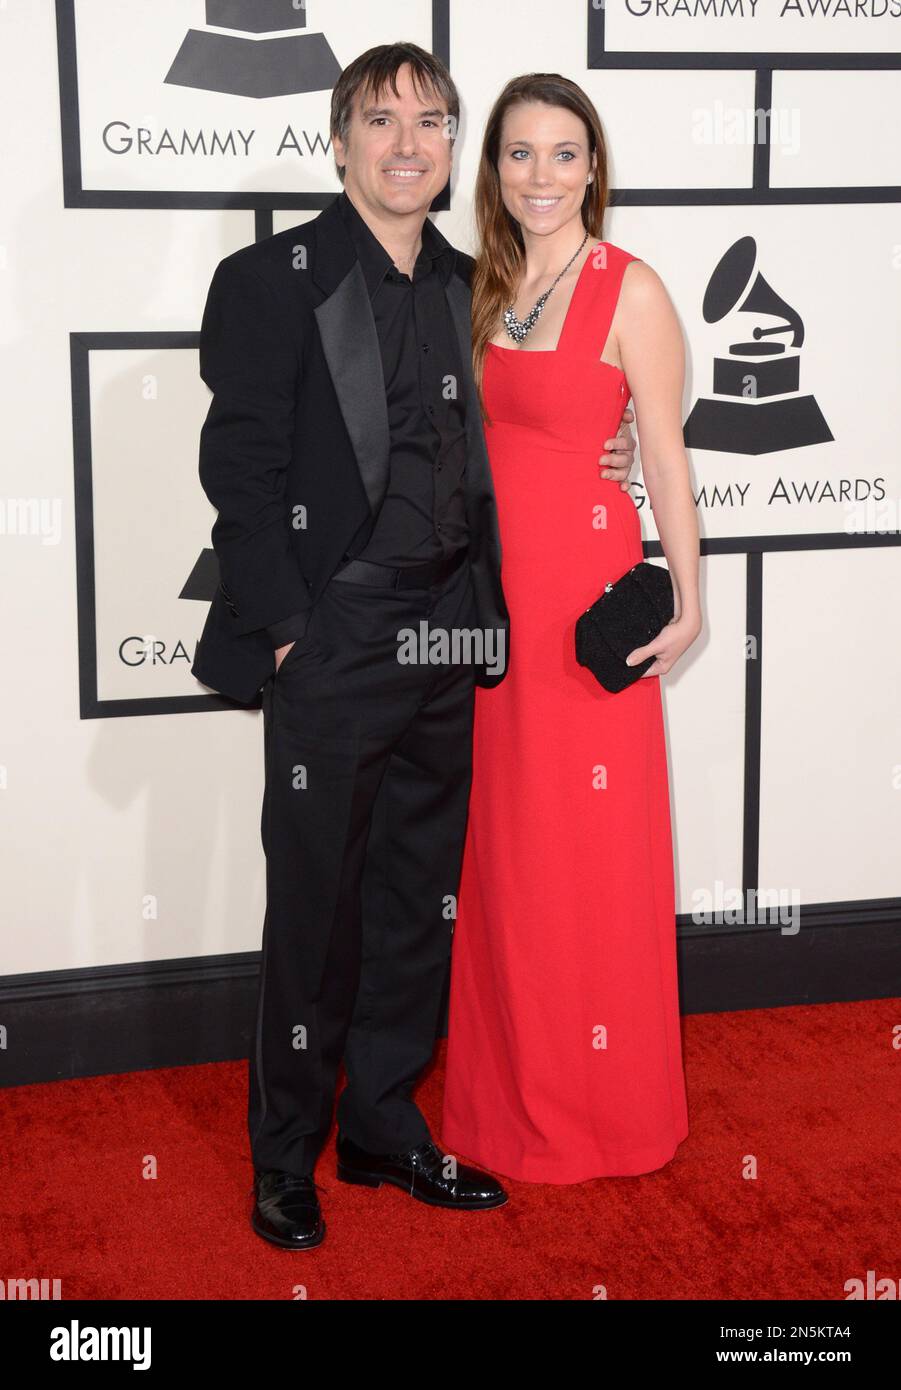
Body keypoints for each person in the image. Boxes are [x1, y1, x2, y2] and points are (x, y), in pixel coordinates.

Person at [191, 46, 639, 1247]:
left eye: (432, 122)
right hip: (334, 633)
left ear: (452, 152)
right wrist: (288, 629)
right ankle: (283, 1155)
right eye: (379, 122)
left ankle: (383, 1126)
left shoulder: (474, 283)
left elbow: (557, 406)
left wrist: (630, 447)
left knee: (413, 903)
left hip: (452, 630)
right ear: (337, 144)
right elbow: (237, 471)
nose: (406, 144)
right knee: (316, 910)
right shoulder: (269, 279)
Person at [441, 74, 701, 1183]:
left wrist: (687, 600)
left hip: (581, 614)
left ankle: (606, 1112)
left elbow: (664, 455)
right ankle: (505, 1099)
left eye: (560, 154)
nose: (538, 176)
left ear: (591, 167)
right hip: (493, 610)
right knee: (504, 860)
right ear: (492, 170)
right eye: (515, 154)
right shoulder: (483, 284)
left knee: (586, 863)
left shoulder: (628, 289)